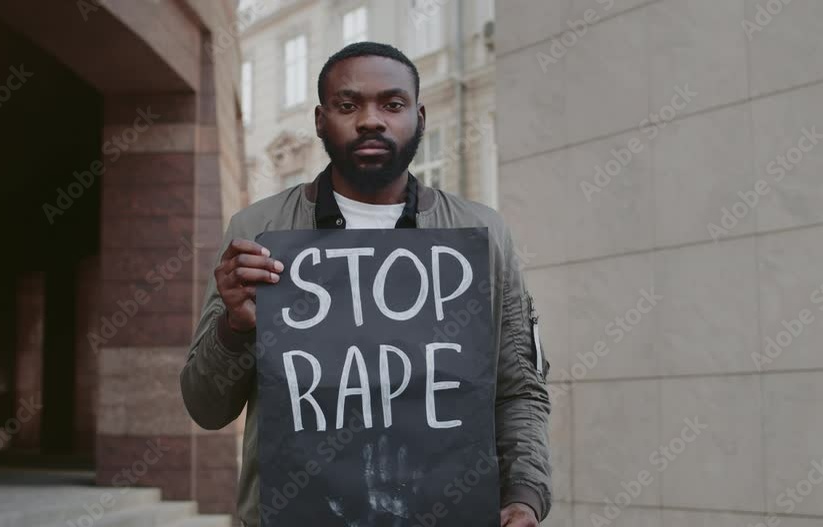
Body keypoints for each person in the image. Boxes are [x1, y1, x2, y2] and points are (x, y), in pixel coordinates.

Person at [180, 41, 551, 527]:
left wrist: (525, 494)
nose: (371, 120)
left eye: (392, 105)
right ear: (320, 120)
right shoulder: (259, 232)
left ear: (419, 117)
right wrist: (235, 329)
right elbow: (206, 408)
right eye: (348, 105)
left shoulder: (481, 236)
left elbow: (519, 389)